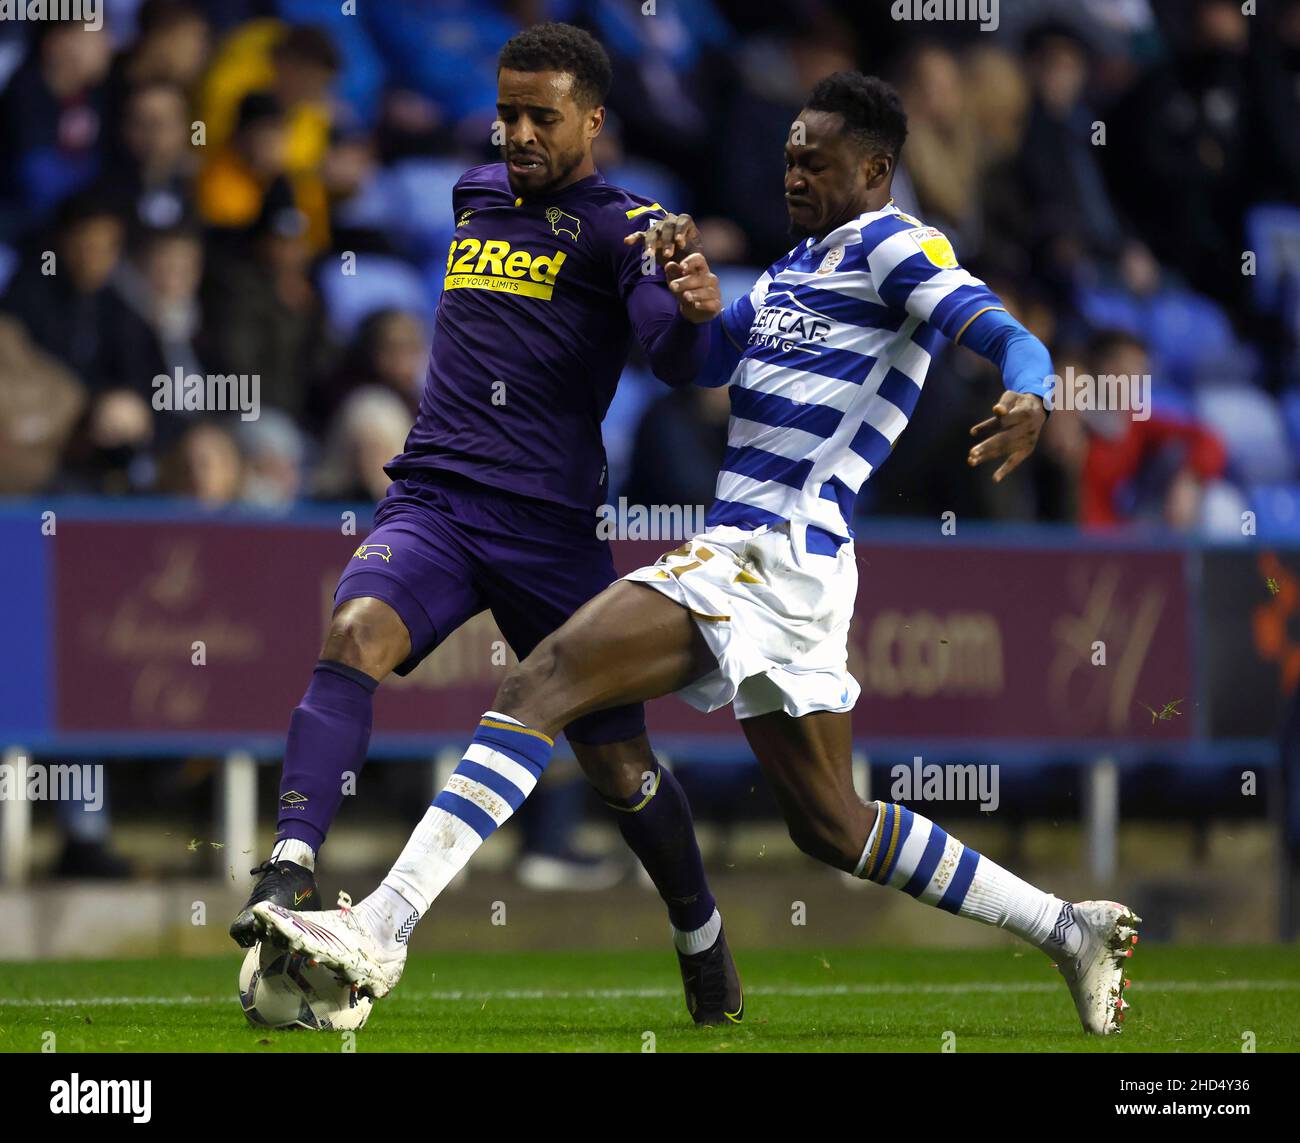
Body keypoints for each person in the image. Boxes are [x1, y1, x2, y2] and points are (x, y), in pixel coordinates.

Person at [253, 71, 1143, 1038]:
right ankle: (1066, 926)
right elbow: (701, 365)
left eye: (817, 159)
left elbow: (996, 325)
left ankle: (381, 927)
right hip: (786, 568)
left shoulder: (896, 245)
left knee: (541, 682)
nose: (794, 172)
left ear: (876, 168)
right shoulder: (799, 268)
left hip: (771, 552)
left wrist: (1032, 386)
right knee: (832, 823)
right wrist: (692, 301)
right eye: (790, 155)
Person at [231, 23, 742, 1024]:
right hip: (435, 499)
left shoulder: (626, 229)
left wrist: (690, 312)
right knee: (351, 637)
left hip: (549, 530)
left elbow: (679, 365)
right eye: (506, 113)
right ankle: (287, 868)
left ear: (591, 120)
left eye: (539, 117)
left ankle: (702, 939)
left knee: (619, 767)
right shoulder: (472, 195)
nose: (515, 133)